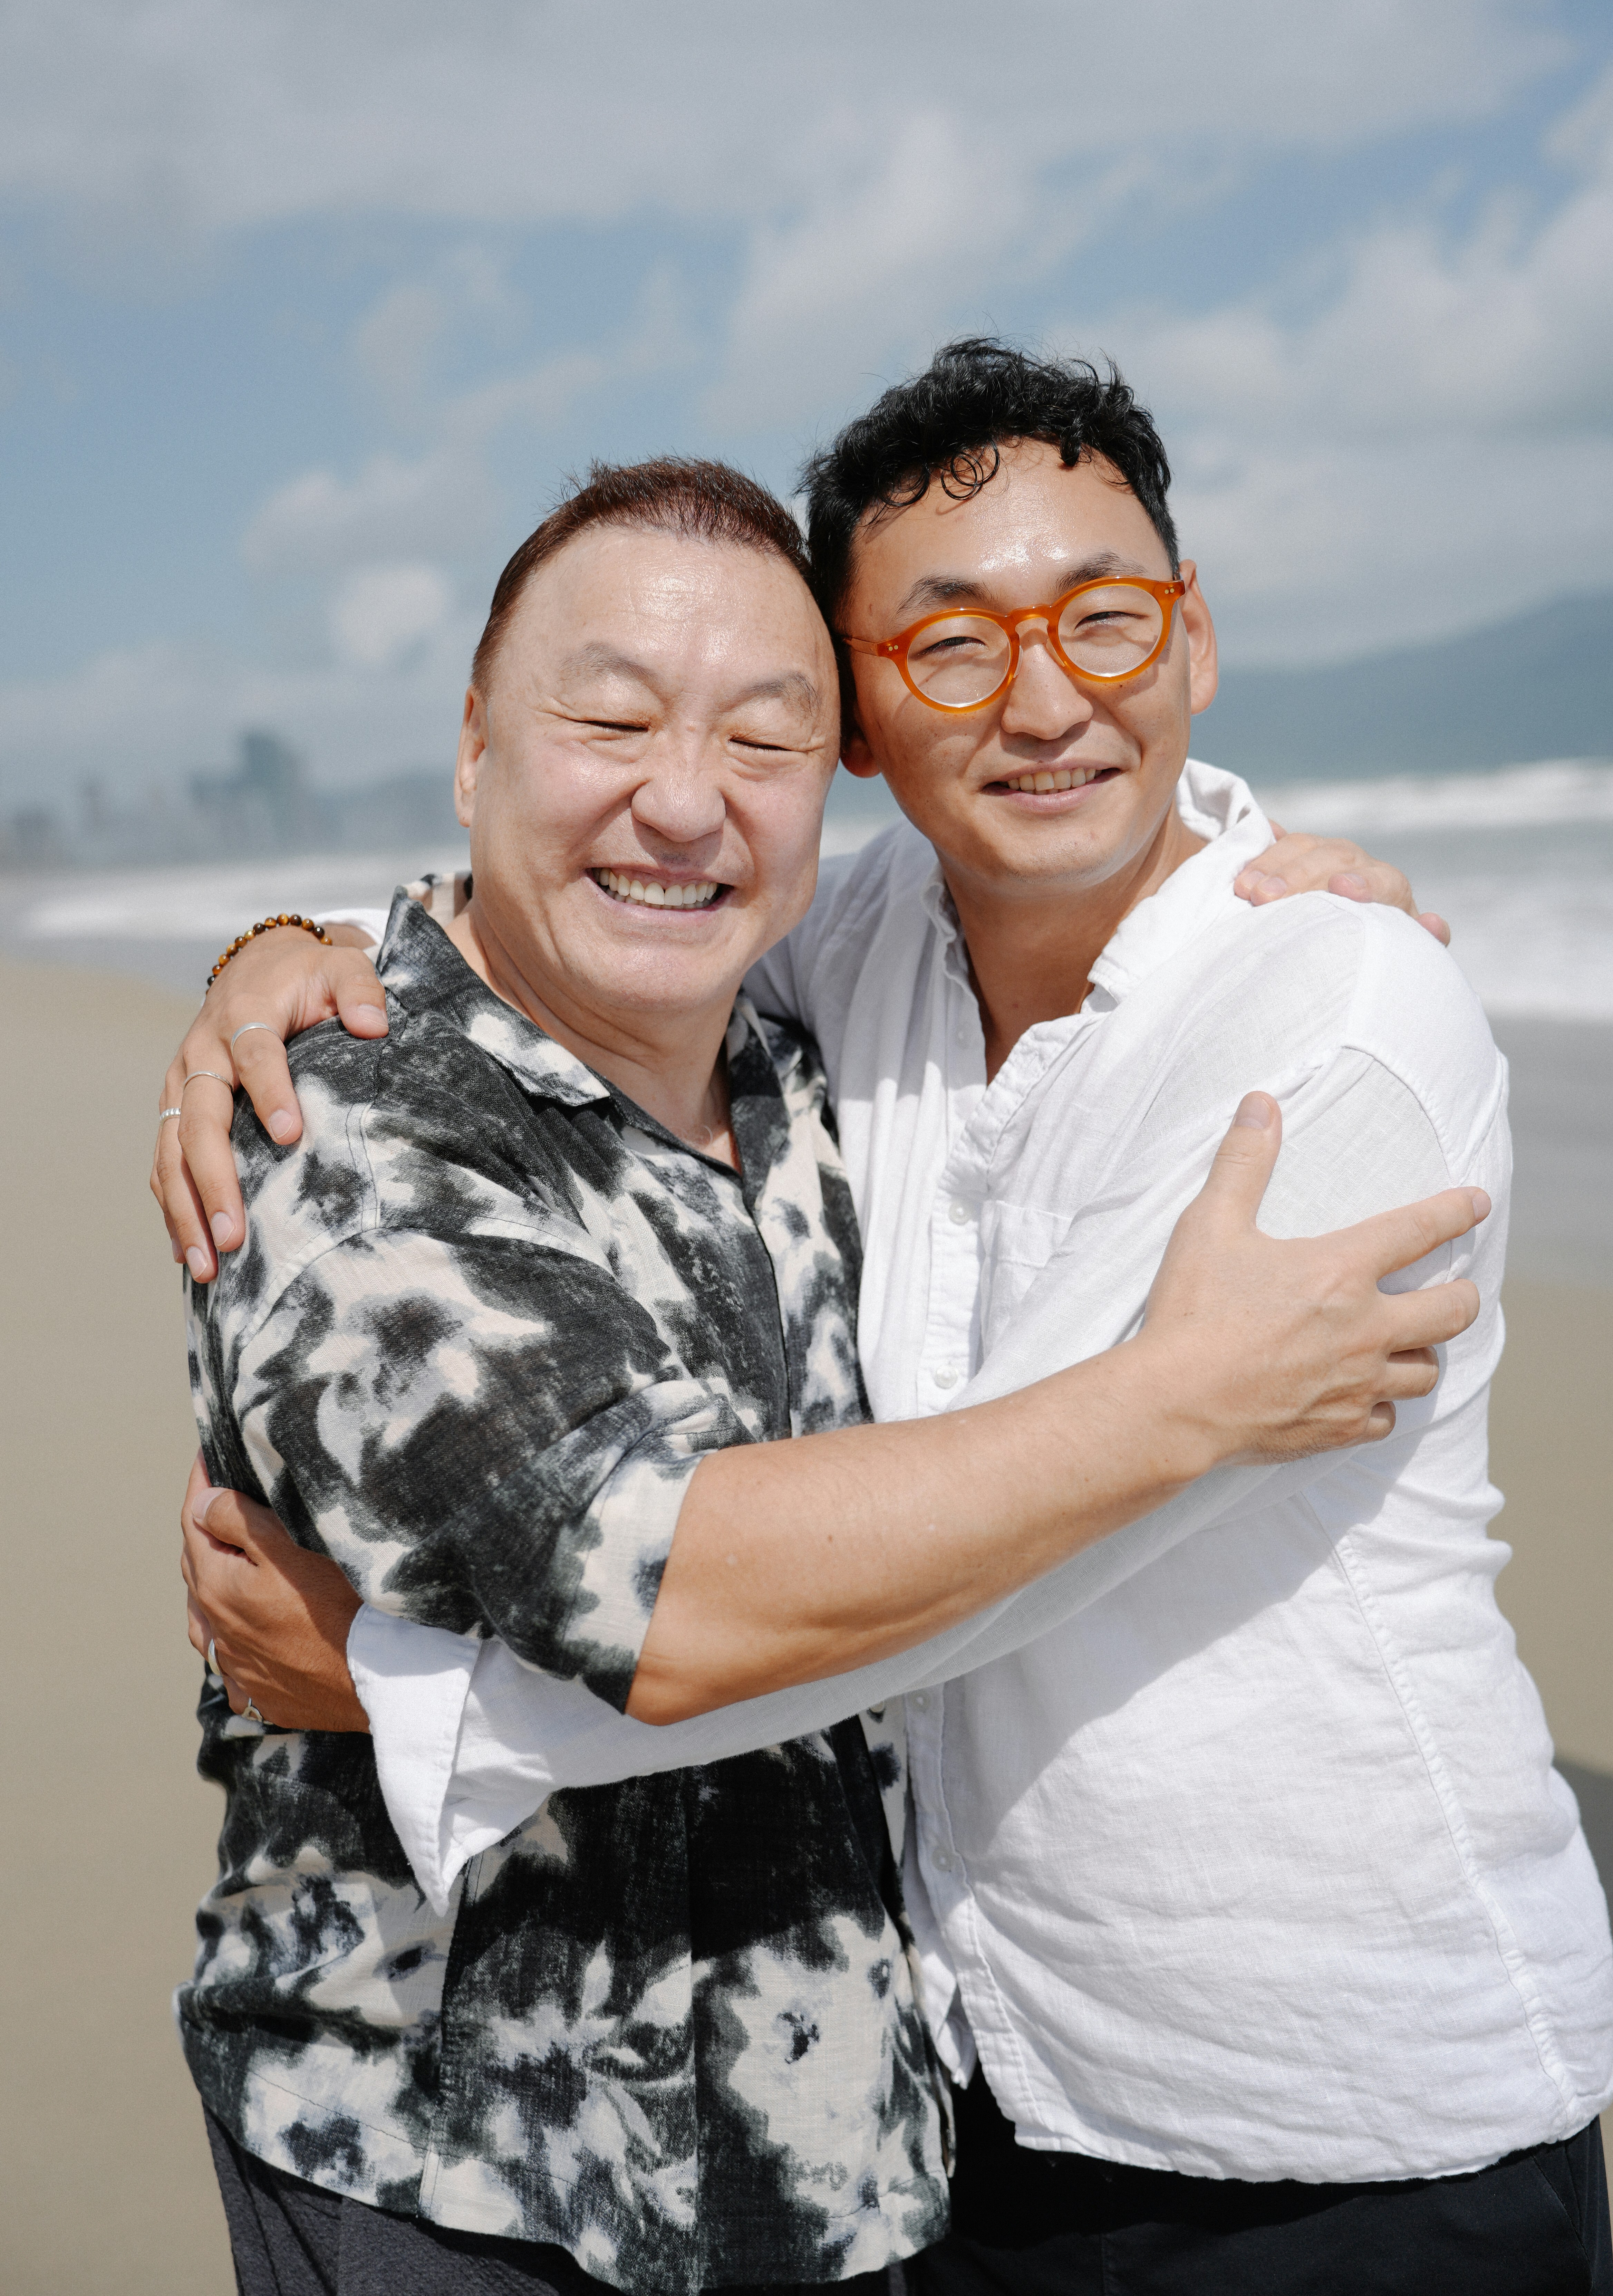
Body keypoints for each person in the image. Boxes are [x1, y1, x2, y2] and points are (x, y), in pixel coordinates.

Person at [169, 345, 1613, 2287]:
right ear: (875, 728)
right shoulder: (852, 966)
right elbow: (602, 896)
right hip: (928, 2117)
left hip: (1338, 2122)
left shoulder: (1332, 1029)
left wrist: (431, 1702)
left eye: (1107, 622)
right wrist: (285, 949)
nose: (1044, 700)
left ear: (1193, 647)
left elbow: (1010, 1560)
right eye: (948, 648)